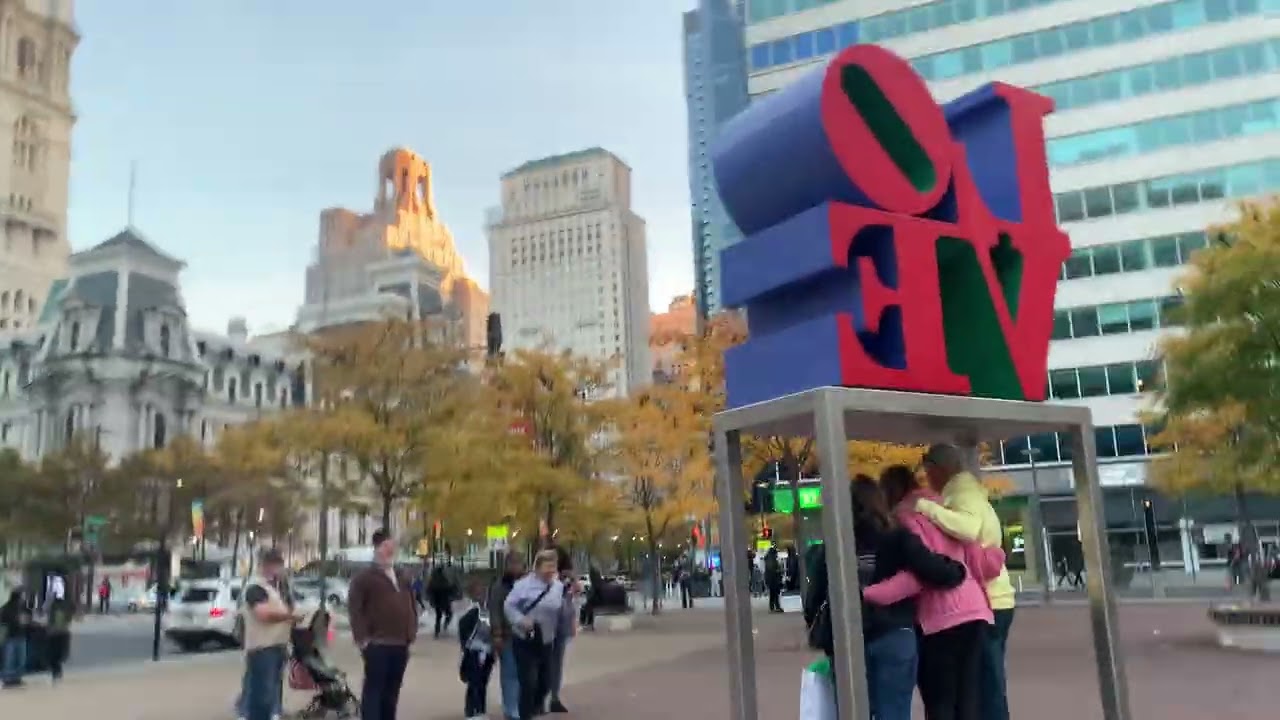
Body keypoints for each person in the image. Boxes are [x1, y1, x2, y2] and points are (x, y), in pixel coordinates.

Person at [869, 464, 1005, 720]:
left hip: (939, 619)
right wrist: (996, 555)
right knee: (969, 698)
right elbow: (980, 560)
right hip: (976, 611)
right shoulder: (945, 509)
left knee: (939, 699)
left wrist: (869, 594)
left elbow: (918, 576)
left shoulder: (904, 520)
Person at [912, 444, 1018, 720]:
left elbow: (967, 528)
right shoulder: (969, 492)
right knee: (985, 683)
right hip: (994, 599)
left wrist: (926, 507)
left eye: (928, 472)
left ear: (939, 468)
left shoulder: (963, 494)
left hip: (990, 600)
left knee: (988, 685)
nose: (928, 479)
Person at [348, 529, 420, 720]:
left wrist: (412, 630)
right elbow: (355, 610)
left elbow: (411, 602)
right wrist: (363, 640)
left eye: (392, 546)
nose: (390, 550)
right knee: (374, 691)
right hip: (378, 644)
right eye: (386, 546)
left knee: (392, 692)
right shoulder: (364, 578)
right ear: (377, 548)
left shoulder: (401, 575)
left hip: (401, 643)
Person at [239, 549, 301, 720]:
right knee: (262, 696)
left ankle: (269, 713)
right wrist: (290, 616)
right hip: (263, 647)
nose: (280, 571)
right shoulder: (255, 588)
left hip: (276, 645)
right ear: (268, 566)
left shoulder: (273, 588)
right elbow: (263, 614)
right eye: (278, 566)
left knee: (269, 691)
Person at [504, 549, 564, 720]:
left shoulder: (557, 587)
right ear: (537, 568)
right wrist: (521, 620)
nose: (550, 571)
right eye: (547, 567)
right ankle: (525, 715)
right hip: (524, 638)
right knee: (528, 682)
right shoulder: (523, 585)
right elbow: (509, 606)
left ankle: (536, 707)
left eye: (553, 567)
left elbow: (560, 608)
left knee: (545, 681)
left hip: (546, 638)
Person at [487, 552, 526, 720]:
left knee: (524, 674)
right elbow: (494, 611)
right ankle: (511, 710)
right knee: (510, 674)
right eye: (513, 563)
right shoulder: (499, 586)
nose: (516, 567)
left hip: (526, 635)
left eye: (518, 563)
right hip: (508, 635)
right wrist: (497, 634)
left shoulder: (528, 584)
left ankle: (521, 706)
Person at [545, 547, 578, 714]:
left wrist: (572, 577)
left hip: (561, 623)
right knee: (544, 661)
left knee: (556, 662)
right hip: (545, 623)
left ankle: (554, 697)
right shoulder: (543, 577)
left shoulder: (566, 578)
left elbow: (573, 596)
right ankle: (543, 697)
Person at [458, 578, 495, 720]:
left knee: (483, 680)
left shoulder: (488, 607)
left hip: (488, 650)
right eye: (477, 592)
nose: (481, 594)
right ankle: (472, 710)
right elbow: (464, 627)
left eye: (483, 591)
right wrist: (466, 645)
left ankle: (480, 709)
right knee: (475, 680)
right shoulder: (471, 609)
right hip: (474, 649)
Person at [1, 588, 32, 688]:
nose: (23, 598)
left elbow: (28, 617)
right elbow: (3, 620)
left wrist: (26, 620)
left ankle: (17, 678)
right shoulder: (7, 607)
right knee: (10, 659)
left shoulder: (23, 607)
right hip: (11, 636)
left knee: (20, 659)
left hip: (21, 636)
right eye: (22, 596)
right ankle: (8, 679)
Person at [45, 593, 74, 682]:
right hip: (62, 634)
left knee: (54, 655)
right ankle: (57, 672)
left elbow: (51, 622)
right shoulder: (64, 610)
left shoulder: (54, 610)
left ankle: (56, 673)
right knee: (58, 655)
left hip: (54, 635)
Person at [427, 563, 456, 639]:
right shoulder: (444, 579)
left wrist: (431, 600)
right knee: (449, 614)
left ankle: (437, 632)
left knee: (438, 617)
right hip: (445, 601)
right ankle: (445, 626)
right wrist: (453, 594)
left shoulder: (433, 581)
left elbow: (429, 591)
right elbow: (449, 589)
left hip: (437, 602)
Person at [763, 547, 783, 613]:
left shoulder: (768, 559)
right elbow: (773, 570)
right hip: (773, 579)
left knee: (772, 594)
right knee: (775, 594)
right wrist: (779, 571)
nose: (776, 554)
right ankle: (776, 607)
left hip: (770, 579)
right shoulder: (772, 560)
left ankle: (772, 607)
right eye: (776, 553)